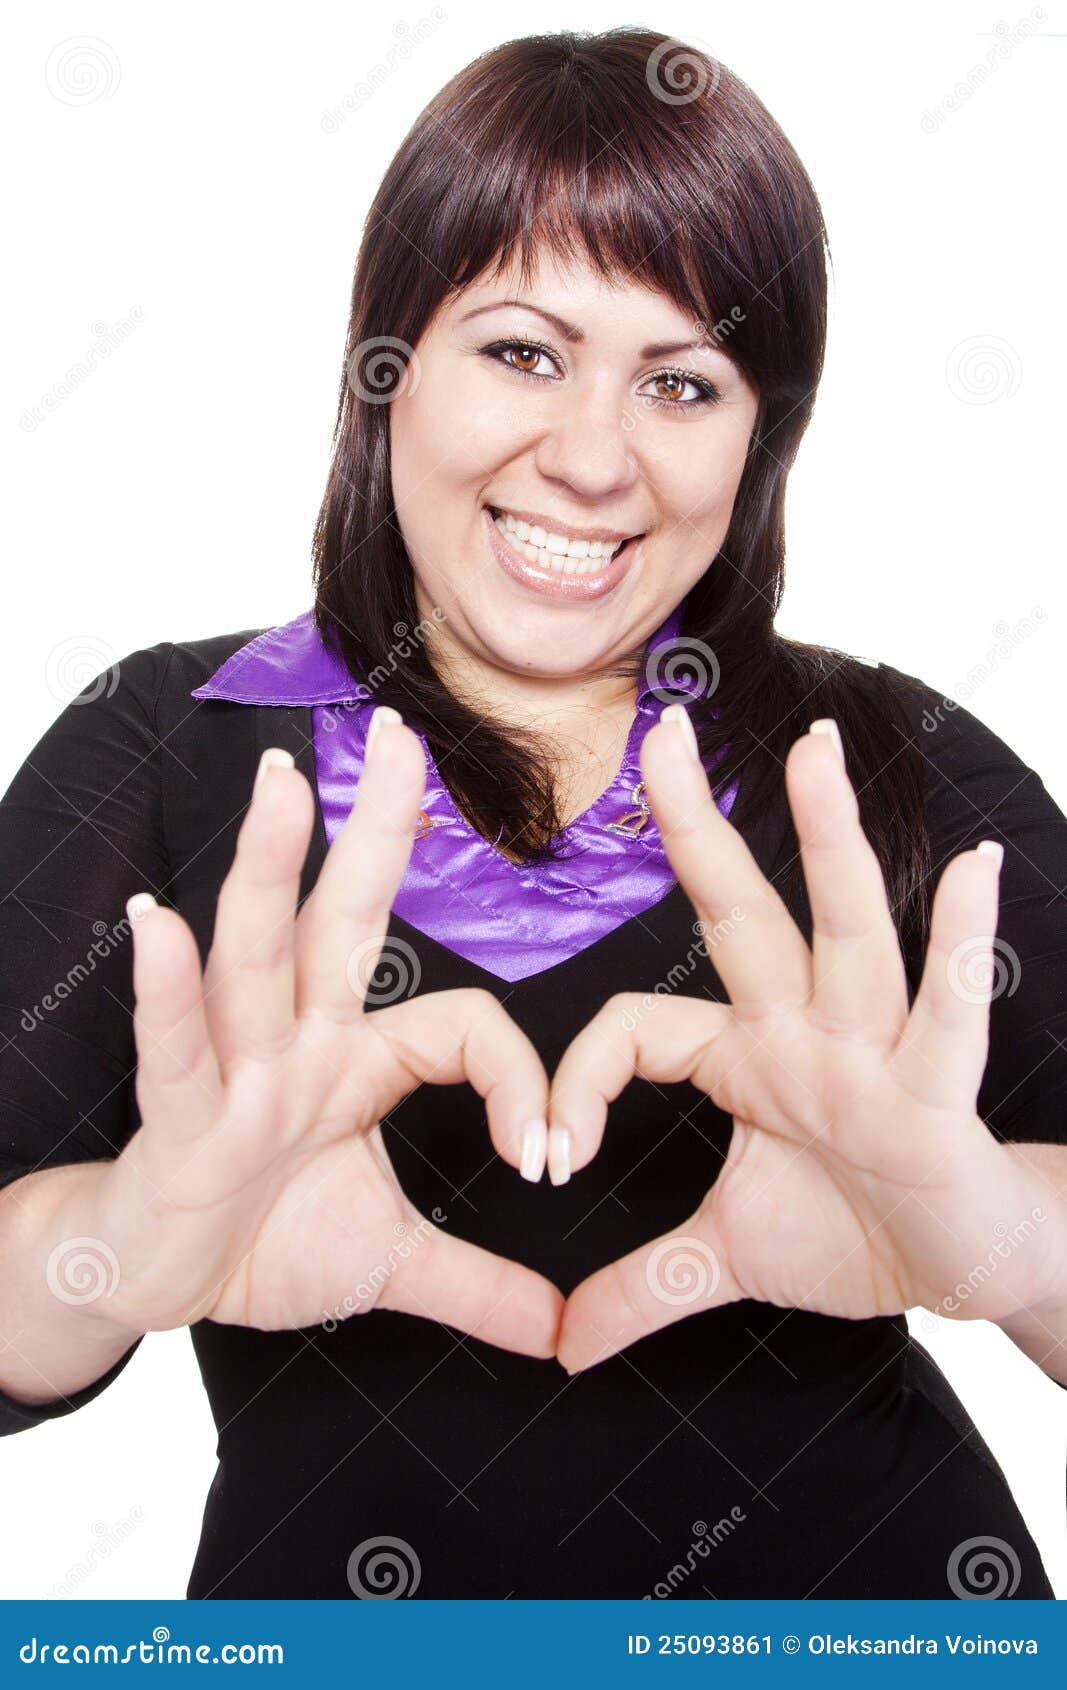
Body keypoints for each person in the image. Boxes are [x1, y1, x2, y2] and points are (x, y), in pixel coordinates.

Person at [1, 28, 1065, 1602]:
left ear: (757, 437)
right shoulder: (166, 747)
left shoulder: (888, 767)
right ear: (387, 365)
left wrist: (1007, 1244)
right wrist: (115, 1247)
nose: (589, 458)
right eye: (520, 351)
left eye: (682, 381)